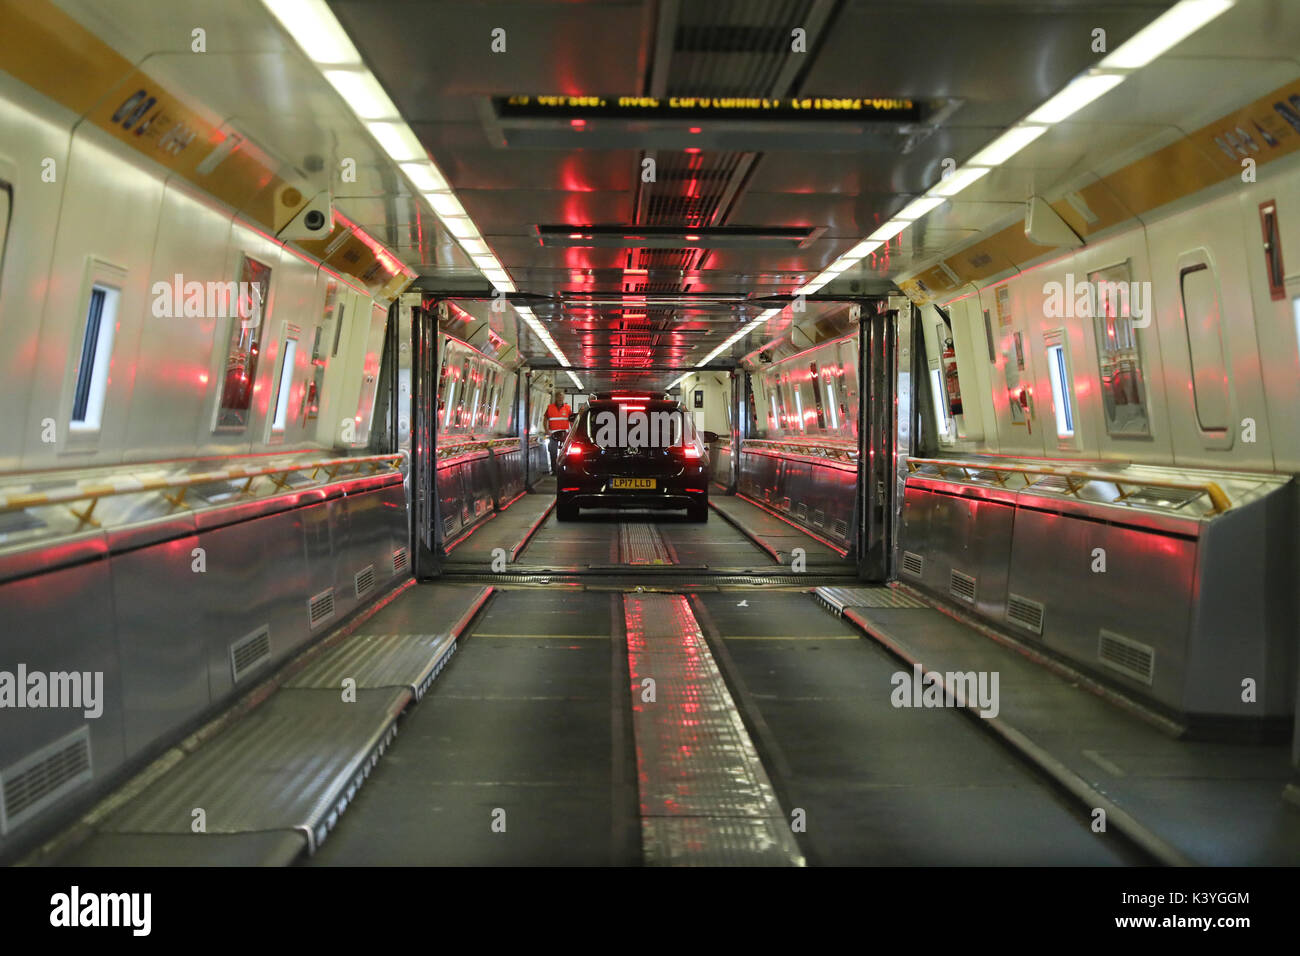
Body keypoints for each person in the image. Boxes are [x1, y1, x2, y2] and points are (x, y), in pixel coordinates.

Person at [543, 390, 572, 473]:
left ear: (564, 398)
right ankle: (554, 470)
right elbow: (545, 420)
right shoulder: (550, 407)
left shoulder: (567, 408)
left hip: (564, 434)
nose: (560, 399)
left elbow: (572, 420)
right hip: (553, 434)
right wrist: (546, 430)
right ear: (556, 398)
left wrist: (573, 431)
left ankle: (564, 470)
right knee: (553, 452)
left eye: (562, 397)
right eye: (559, 397)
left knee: (565, 453)